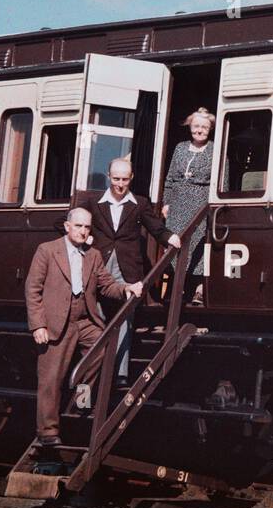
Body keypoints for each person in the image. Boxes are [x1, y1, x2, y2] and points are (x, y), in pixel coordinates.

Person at [25, 206, 143, 446]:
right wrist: (38, 325)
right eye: (78, 226)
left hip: (85, 320)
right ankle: (47, 433)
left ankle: (79, 399)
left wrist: (126, 289)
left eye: (87, 227)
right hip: (56, 323)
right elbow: (32, 289)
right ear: (68, 226)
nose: (82, 231)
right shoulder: (47, 251)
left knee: (102, 347)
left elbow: (106, 285)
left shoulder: (93, 255)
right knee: (50, 379)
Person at [71, 157, 180, 383]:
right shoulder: (93, 201)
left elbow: (156, 228)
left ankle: (119, 373)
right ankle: (95, 370)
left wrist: (171, 237)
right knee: (95, 315)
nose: (120, 184)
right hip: (97, 265)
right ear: (109, 177)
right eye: (116, 179)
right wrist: (84, 237)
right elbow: (64, 222)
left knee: (124, 317)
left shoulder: (139, 203)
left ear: (131, 179)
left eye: (124, 179)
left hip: (127, 268)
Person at [162, 107, 215, 306]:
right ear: (190, 127)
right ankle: (177, 288)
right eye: (196, 126)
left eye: (204, 127)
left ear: (210, 129)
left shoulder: (215, 149)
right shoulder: (180, 147)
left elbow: (223, 182)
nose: (199, 130)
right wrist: (167, 202)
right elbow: (169, 179)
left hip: (200, 203)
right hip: (177, 204)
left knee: (198, 247)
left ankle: (198, 291)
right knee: (176, 244)